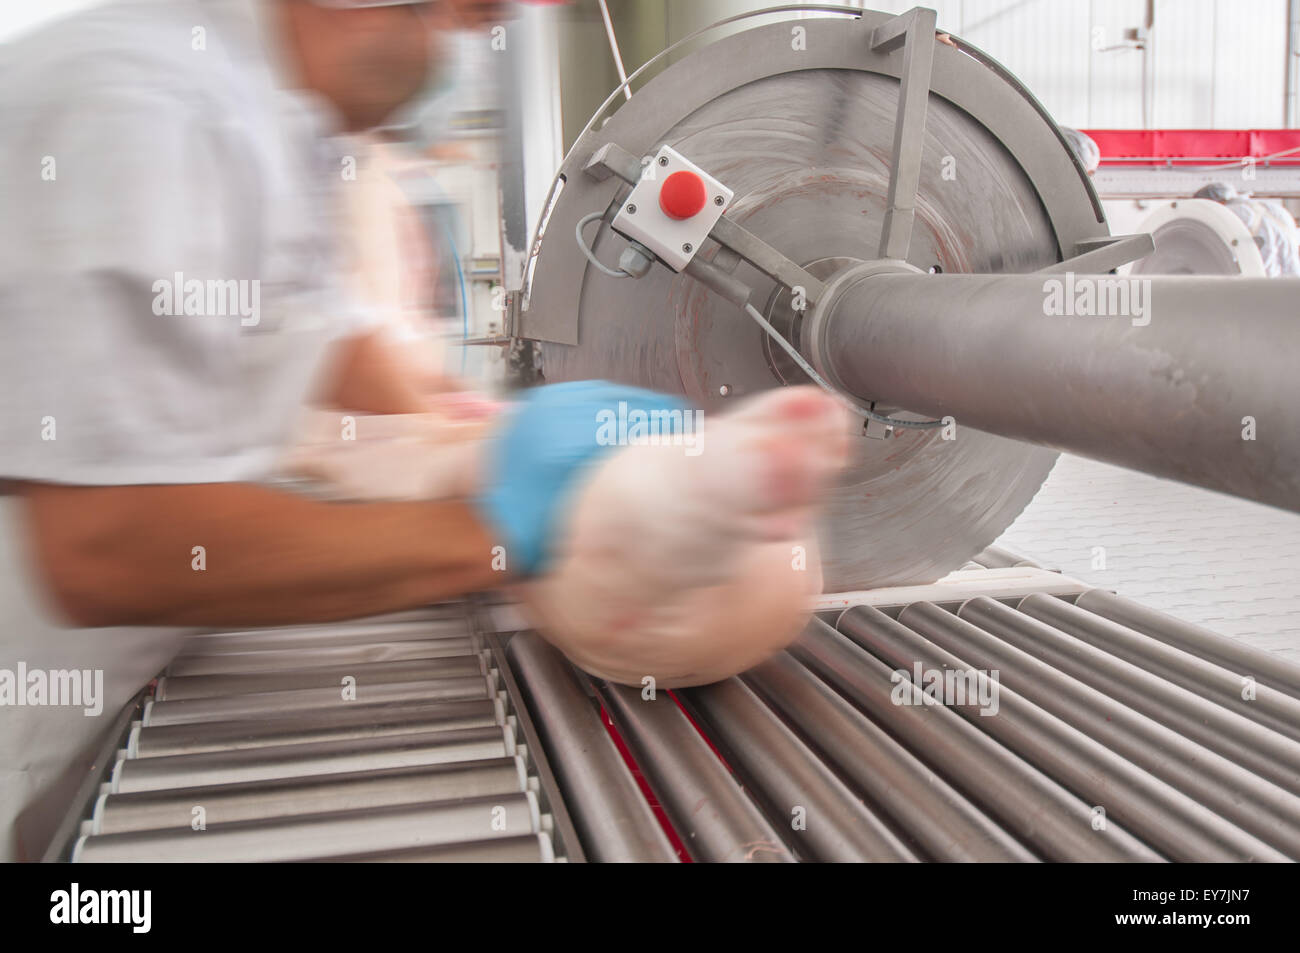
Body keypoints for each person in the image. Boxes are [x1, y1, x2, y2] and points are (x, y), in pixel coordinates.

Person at [0, 0, 845, 861]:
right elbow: (100, 545)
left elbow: (310, 333)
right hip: (38, 718)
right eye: (461, 19)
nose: (463, 52)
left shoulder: (274, 109)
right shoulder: (136, 106)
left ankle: (704, 498)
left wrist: (474, 426)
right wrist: (510, 526)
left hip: (125, 683)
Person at [1194, 182, 1300, 277]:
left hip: (1261, 287)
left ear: (1215, 203)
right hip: (1292, 284)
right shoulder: (1278, 210)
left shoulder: (1230, 213)